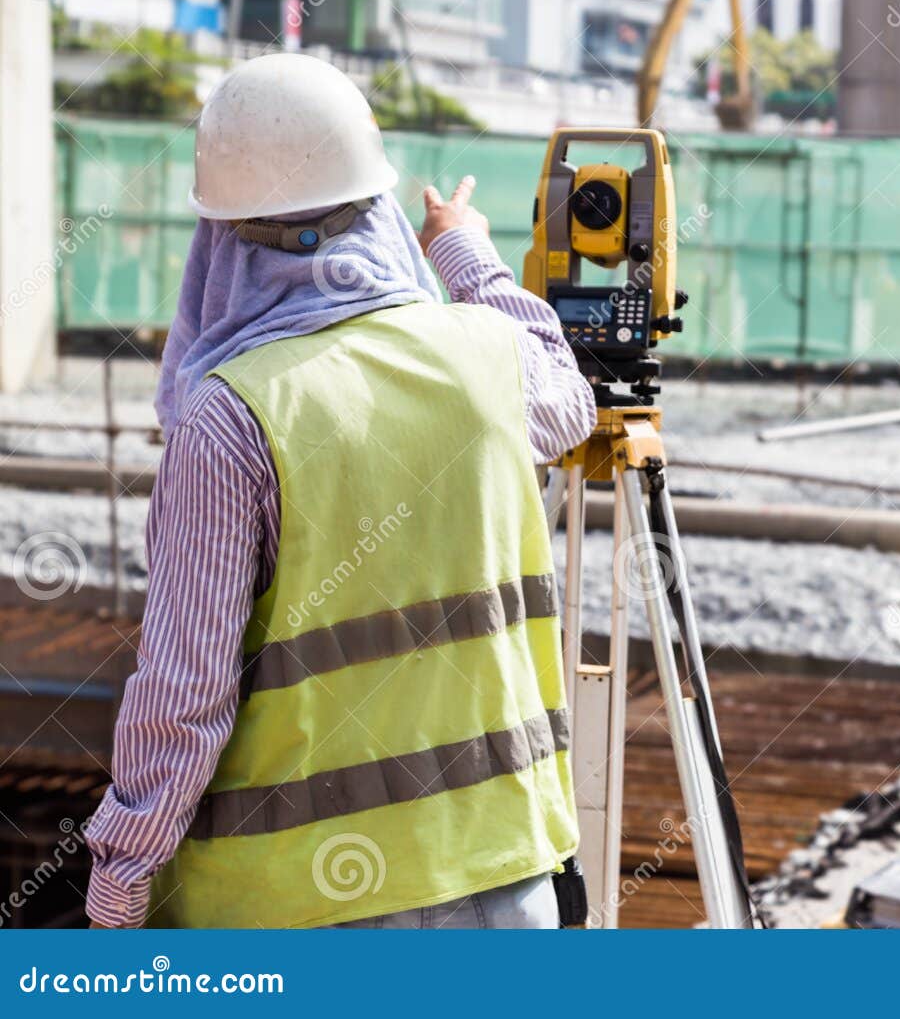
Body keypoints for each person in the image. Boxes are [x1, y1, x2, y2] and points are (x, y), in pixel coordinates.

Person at [82, 54, 597, 929]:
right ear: (378, 208)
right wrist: (465, 254)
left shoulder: (229, 420)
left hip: (295, 911)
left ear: (222, 235)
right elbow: (571, 395)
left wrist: (120, 877)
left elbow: (184, 694)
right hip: (506, 882)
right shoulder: (488, 357)